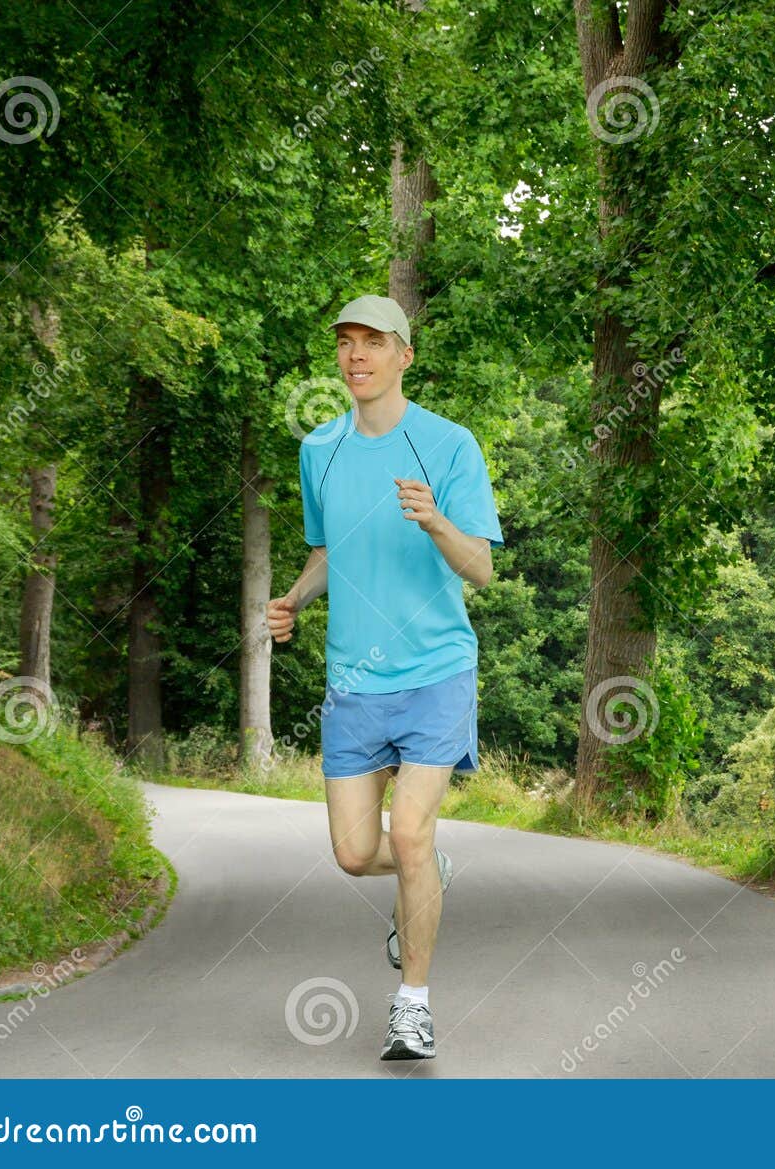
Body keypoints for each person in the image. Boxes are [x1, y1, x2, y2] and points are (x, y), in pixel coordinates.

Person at [267, 294, 503, 1060]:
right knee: (354, 849)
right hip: (353, 683)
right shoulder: (320, 450)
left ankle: (414, 1006)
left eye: (374, 342)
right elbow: (329, 551)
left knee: (408, 832)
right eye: (345, 343)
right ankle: (421, 876)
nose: (356, 355)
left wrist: (437, 521)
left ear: (405, 354)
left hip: (436, 669)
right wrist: (295, 599)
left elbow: (484, 569)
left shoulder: (450, 444)